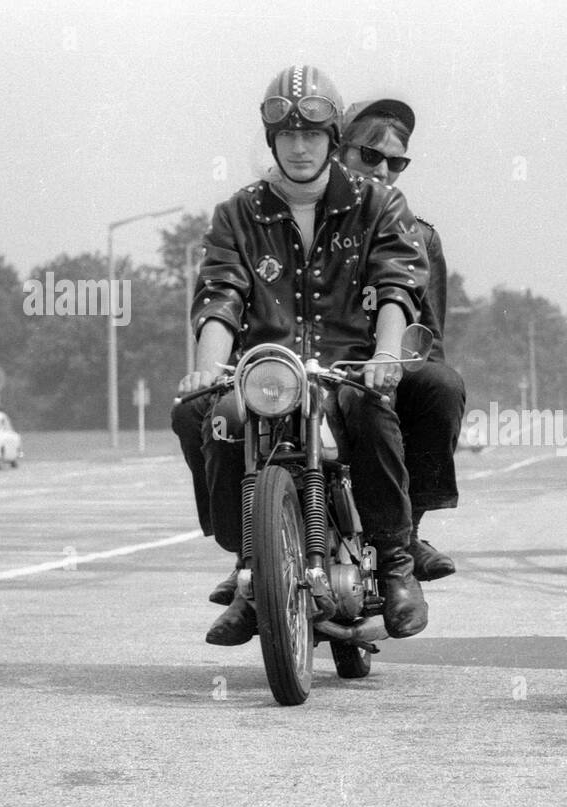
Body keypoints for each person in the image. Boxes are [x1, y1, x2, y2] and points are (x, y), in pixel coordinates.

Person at [171, 64, 430, 646]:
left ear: (332, 137)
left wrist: (386, 354)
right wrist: (208, 369)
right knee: (199, 414)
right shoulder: (238, 212)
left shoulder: (377, 203)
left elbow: (397, 285)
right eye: (287, 134)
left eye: (311, 134)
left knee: (371, 410)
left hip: (347, 368)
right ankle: (249, 569)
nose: (300, 145)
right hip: (267, 370)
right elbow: (220, 298)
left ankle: (396, 565)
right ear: (272, 139)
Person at [337, 98, 466, 582]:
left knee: (440, 385)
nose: (384, 170)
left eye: (396, 162)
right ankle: (254, 557)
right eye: (370, 156)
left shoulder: (420, 237)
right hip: (314, 366)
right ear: (338, 151)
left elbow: (427, 333)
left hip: (385, 370)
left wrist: (400, 363)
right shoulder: (303, 218)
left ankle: (407, 534)